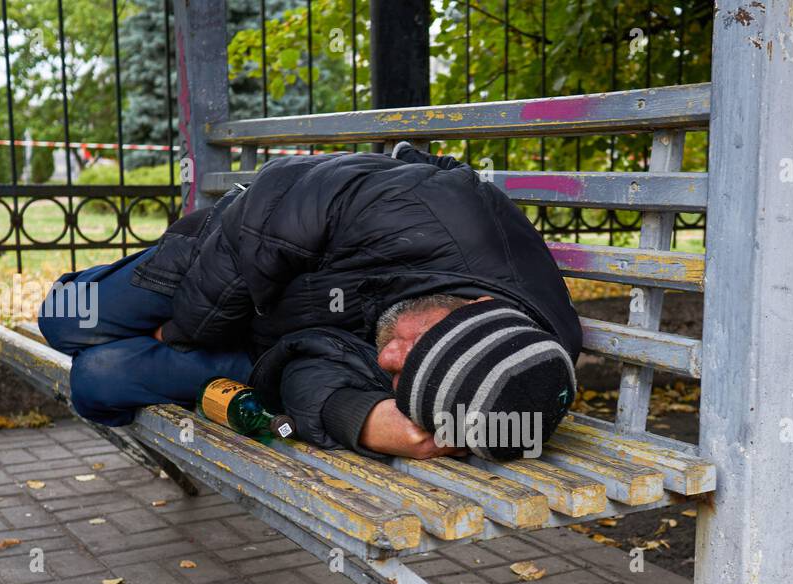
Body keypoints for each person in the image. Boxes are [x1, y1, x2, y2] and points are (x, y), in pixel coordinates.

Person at [38, 142, 580, 462]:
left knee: (96, 382)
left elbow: (312, 370)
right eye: (410, 355)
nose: (388, 362)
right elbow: (275, 207)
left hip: (264, 348)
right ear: (466, 307)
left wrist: (362, 415)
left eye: (402, 382)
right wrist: (185, 330)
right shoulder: (439, 214)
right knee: (61, 320)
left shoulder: (482, 371)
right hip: (220, 265)